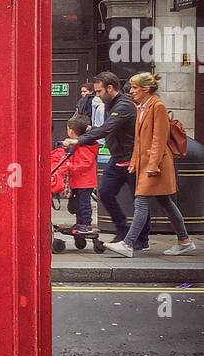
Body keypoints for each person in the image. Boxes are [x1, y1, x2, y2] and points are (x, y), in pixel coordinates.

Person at [106, 73, 196, 258]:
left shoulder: (158, 107)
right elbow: (139, 140)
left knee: (140, 201)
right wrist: (134, 161)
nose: (131, 91)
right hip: (146, 162)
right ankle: (185, 241)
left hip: (156, 164)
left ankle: (128, 243)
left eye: (134, 88)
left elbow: (159, 139)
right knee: (166, 202)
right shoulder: (141, 107)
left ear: (145, 89)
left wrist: (153, 165)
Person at [65, 71, 148, 249]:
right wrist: (91, 129)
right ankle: (122, 229)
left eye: (99, 91)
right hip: (117, 157)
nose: (97, 95)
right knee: (105, 192)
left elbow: (108, 128)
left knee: (139, 200)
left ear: (110, 88)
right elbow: (105, 128)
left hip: (132, 159)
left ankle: (142, 239)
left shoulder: (123, 105)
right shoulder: (109, 103)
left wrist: (79, 139)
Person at [63, 114, 98, 235]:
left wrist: (69, 166)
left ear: (71, 132)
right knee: (78, 204)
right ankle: (80, 223)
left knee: (83, 204)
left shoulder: (83, 147)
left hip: (84, 182)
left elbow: (85, 163)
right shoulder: (79, 145)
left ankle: (86, 224)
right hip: (79, 181)